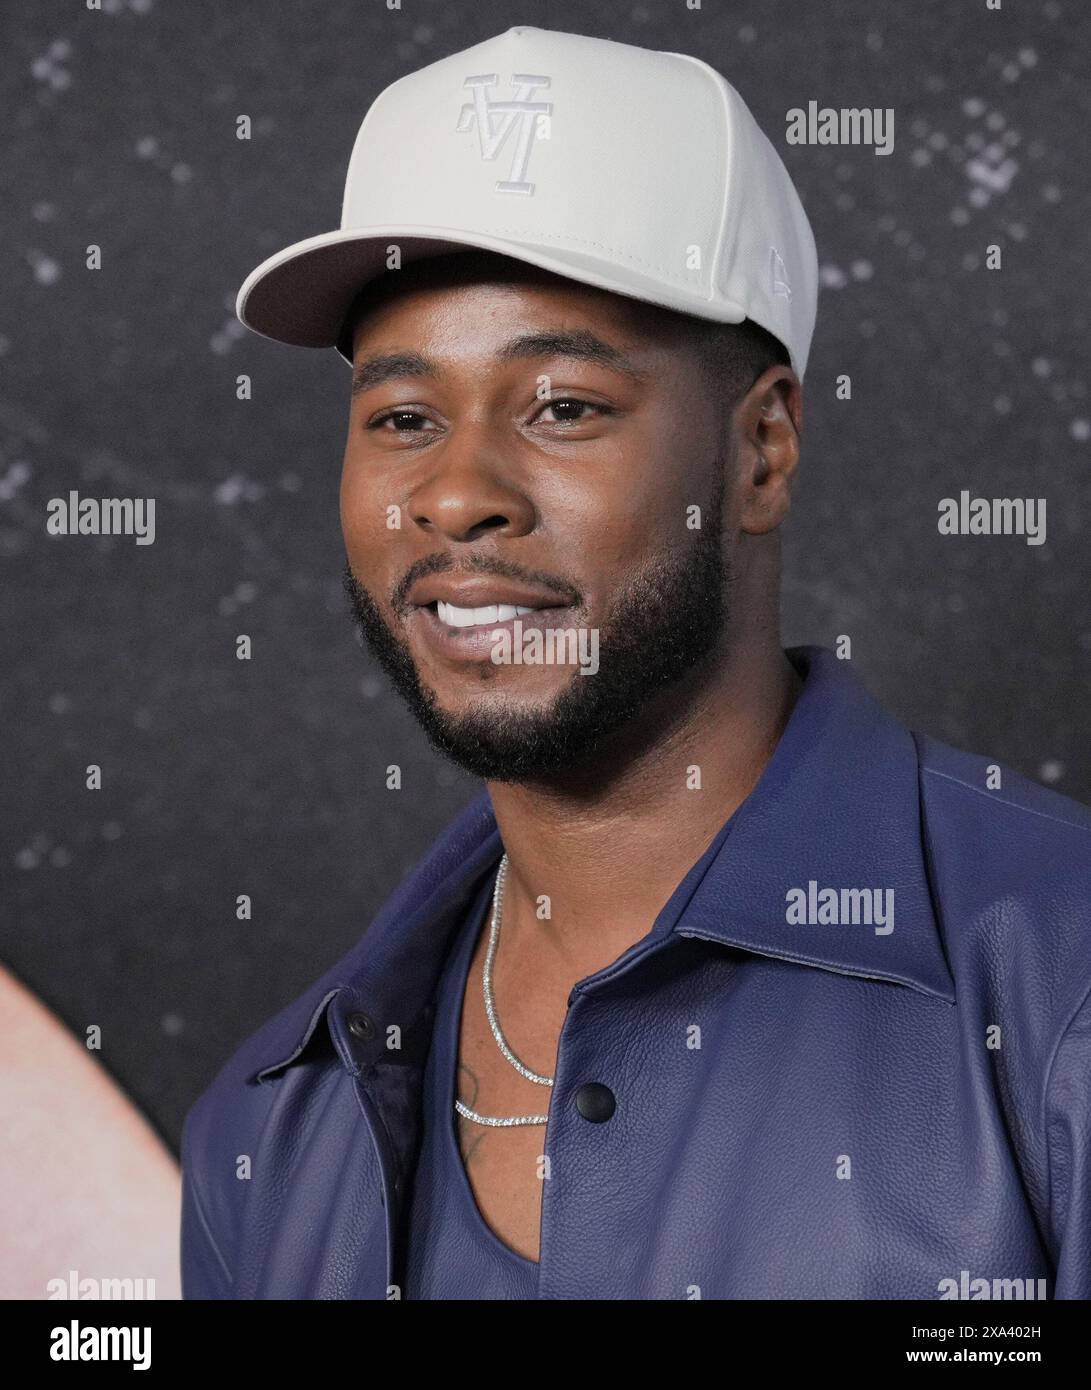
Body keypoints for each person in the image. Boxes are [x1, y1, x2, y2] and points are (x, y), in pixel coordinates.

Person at [181, 25, 1091, 1300]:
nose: (454, 497)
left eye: (561, 404)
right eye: (402, 417)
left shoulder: (1058, 991)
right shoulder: (266, 1131)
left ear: (761, 451)